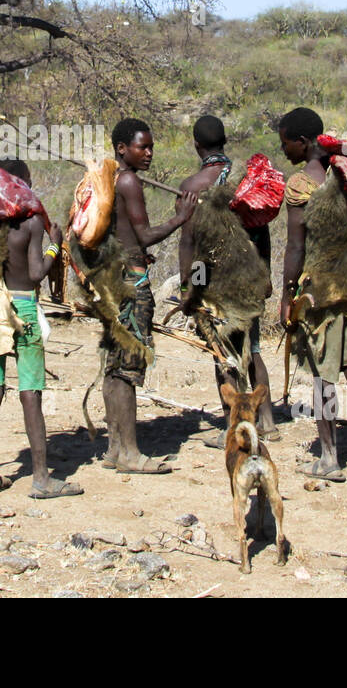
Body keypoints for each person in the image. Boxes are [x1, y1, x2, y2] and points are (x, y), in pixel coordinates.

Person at [277, 108, 347, 481]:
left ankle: (330, 458)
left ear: (303, 142)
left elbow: (295, 248)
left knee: (324, 377)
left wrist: (288, 295)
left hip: (319, 292)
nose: (284, 150)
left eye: (286, 142)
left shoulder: (301, 185)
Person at [0, 160, 82, 498]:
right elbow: (35, 274)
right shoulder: (31, 223)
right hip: (25, 309)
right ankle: (41, 480)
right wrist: (54, 243)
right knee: (30, 393)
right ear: (21, 185)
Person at [175, 115, 278, 446]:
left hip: (214, 281)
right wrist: (266, 274)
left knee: (224, 354)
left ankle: (235, 426)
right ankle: (268, 422)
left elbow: (192, 245)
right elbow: (261, 233)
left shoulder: (194, 187)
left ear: (197, 145)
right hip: (249, 276)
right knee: (254, 349)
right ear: (224, 142)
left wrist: (189, 289)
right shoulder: (246, 180)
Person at [103, 118, 198, 473]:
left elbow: (126, 235)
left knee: (113, 368)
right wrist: (180, 218)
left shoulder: (110, 178)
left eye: (151, 147)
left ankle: (115, 449)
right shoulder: (128, 181)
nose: (149, 153)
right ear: (121, 148)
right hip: (132, 288)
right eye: (142, 147)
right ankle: (129, 453)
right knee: (128, 369)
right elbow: (142, 234)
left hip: (113, 280)